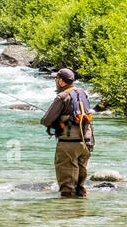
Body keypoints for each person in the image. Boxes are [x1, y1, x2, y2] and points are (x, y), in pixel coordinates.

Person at [39, 68, 94, 198]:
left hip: (69, 144)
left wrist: (54, 125)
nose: (55, 81)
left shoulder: (62, 96)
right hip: (86, 141)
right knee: (80, 184)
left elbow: (46, 120)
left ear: (61, 81)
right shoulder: (82, 93)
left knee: (67, 185)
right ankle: (80, 209)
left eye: (56, 79)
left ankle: (67, 211)